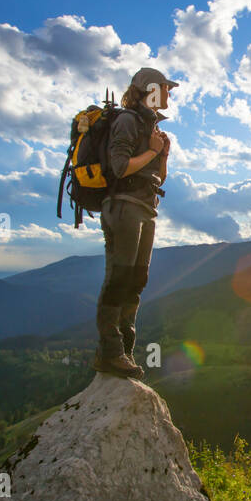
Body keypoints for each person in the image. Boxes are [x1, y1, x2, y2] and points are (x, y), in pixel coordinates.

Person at [92, 67, 176, 378]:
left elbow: (157, 177)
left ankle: (123, 351)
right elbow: (119, 168)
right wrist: (152, 150)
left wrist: (162, 155)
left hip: (146, 207)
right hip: (124, 208)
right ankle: (110, 353)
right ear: (152, 89)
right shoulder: (127, 120)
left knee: (136, 281)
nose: (169, 94)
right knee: (118, 280)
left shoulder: (151, 127)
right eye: (165, 88)